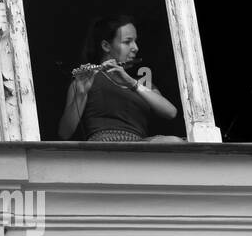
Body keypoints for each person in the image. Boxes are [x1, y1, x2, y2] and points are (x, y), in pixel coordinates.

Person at [58, 14, 182, 142]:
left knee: (174, 142)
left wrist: (132, 83)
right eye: (127, 42)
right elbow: (65, 133)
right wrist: (81, 94)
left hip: (139, 148)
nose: (135, 48)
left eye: (135, 41)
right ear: (106, 46)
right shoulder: (85, 79)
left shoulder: (142, 83)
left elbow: (170, 112)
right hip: (100, 147)